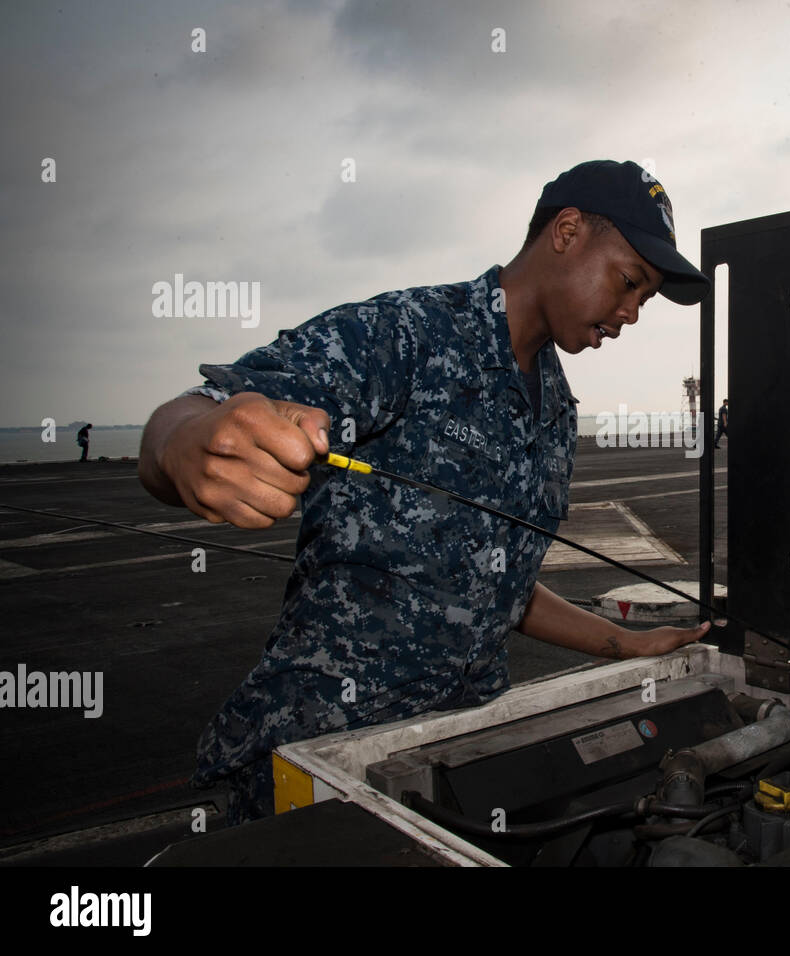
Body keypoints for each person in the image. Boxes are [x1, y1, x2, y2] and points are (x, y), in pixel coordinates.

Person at [138, 160, 713, 823]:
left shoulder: (555, 407)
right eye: (629, 282)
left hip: (455, 765)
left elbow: (499, 587)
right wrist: (181, 446)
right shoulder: (407, 334)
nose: (631, 313)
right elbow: (202, 409)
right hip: (323, 761)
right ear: (568, 231)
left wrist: (628, 645)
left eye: (642, 299)